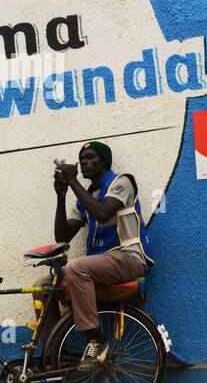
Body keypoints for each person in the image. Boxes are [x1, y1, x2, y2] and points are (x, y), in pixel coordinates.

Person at [37, 140, 152, 370]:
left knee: (76, 267)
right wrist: (61, 196)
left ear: (104, 161)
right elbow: (63, 236)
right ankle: (54, 354)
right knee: (42, 286)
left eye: (91, 158)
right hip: (101, 265)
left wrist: (72, 180)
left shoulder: (121, 182)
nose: (85, 163)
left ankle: (95, 343)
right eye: (82, 160)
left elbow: (102, 213)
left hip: (128, 258)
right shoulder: (85, 197)